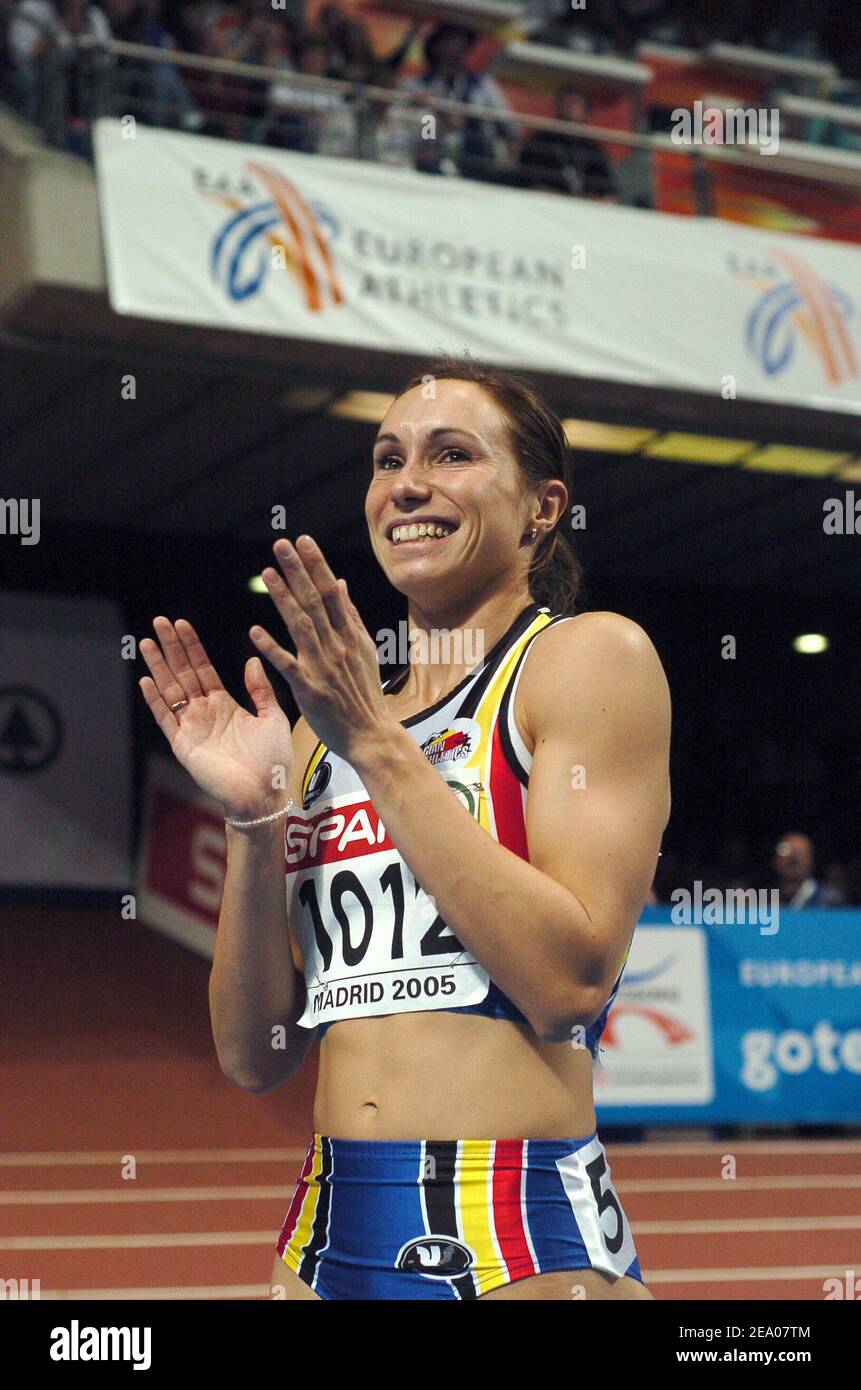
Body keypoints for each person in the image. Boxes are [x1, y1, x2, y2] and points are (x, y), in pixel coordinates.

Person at [138, 356, 671, 1301]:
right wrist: (257, 824)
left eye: (452, 454)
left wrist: (381, 750)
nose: (408, 484)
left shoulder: (587, 662)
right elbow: (252, 1056)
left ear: (542, 508)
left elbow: (567, 985)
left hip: (516, 1225)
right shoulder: (323, 731)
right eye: (388, 459)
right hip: (326, 1225)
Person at [399, 23, 519, 180]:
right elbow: (402, 121)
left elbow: (510, 128)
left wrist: (508, 163)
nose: (454, 48)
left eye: (459, 42)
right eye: (448, 41)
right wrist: (438, 113)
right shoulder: (417, 84)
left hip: (475, 158)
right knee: (426, 116)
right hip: (430, 155)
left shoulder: (482, 85)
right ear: (436, 45)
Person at [516, 84, 617, 198]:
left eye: (576, 103)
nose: (571, 107)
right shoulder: (540, 140)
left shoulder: (592, 148)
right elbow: (528, 181)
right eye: (568, 102)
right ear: (558, 106)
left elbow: (608, 192)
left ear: (585, 109)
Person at [772, 832, 839, 908]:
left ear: (811, 860)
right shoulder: (763, 899)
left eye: (801, 853)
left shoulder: (828, 899)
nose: (793, 858)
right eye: (786, 851)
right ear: (775, 860)